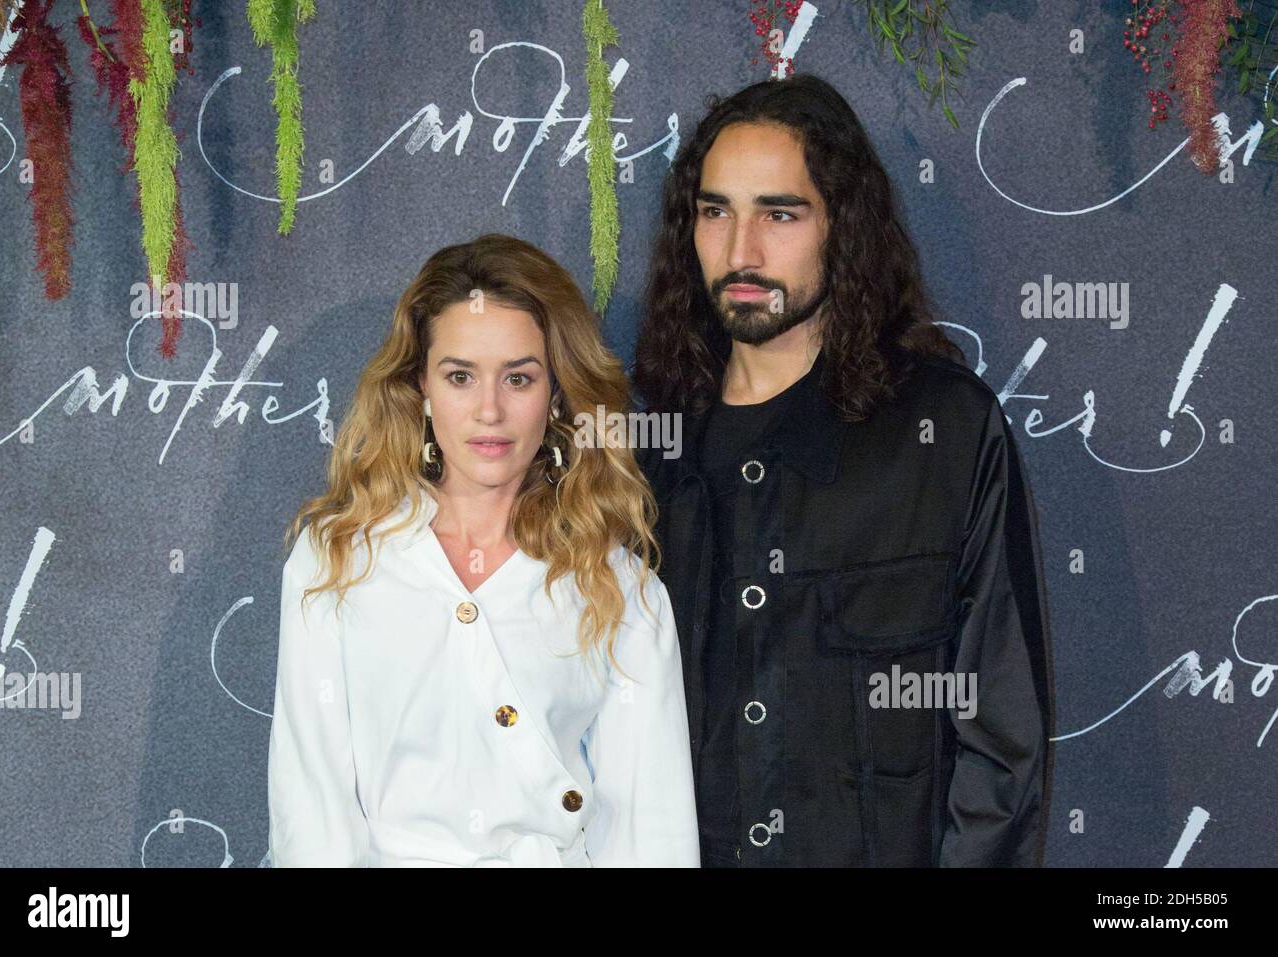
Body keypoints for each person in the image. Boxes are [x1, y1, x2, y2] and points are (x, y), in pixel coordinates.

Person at [632, 74, 1054, 867]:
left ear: (843, 226)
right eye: (716, 211)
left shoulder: (945, 434)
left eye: (779, 214)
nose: (741, 250)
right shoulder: (643, 456)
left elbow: (1003, 744)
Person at [268, 233, 700, 867]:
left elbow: (650, 831)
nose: (490, 410)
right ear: (420, 384)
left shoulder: (620, 587)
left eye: (518, 378)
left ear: (556, 393)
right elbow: (311, 811)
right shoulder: (336, 559)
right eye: (461, 377)